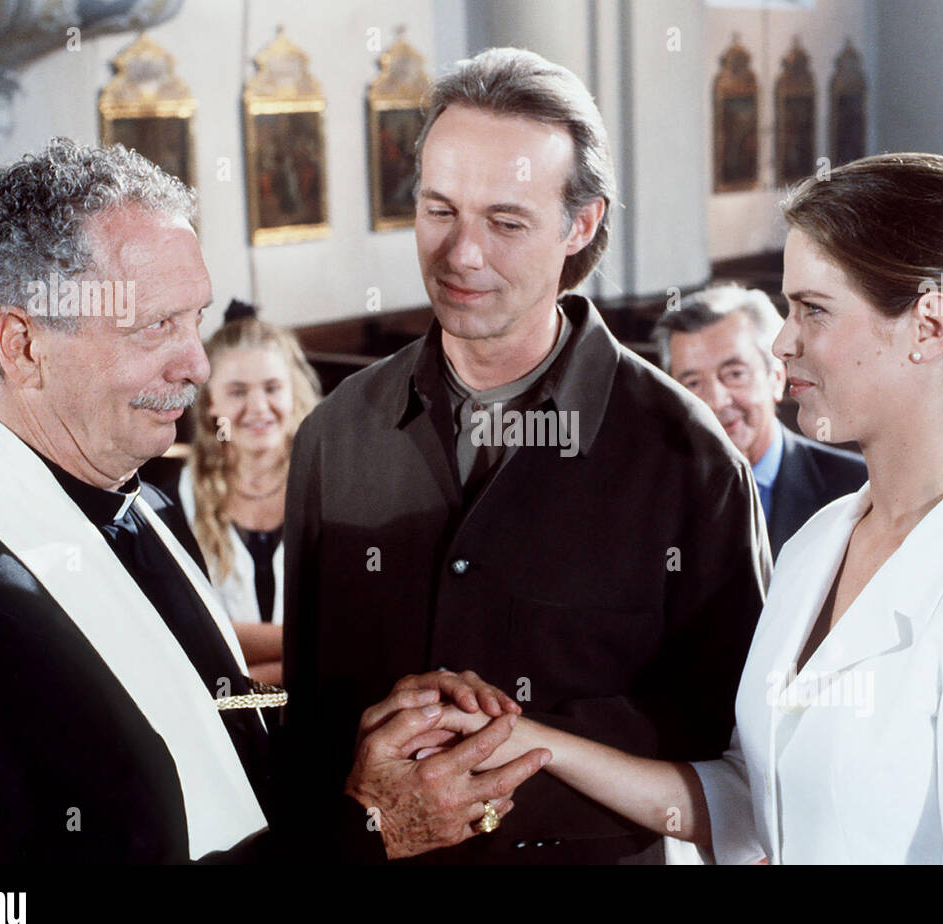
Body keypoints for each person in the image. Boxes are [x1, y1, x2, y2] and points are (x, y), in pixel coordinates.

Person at [400, 153, 943, 864]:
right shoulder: (821, 541)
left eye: (813, 309)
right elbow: (754, 801)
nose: (783, 340)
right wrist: (536, 741)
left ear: (929, 328)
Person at [279, 47, 770, 864]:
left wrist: (508, 752)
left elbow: (738, 775)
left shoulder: (689, 459)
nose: (461, 255)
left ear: (581, 224)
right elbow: (309, 734)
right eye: (439, 211)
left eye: (505, 222)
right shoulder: (335, 435)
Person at [0, 139, 276, 863]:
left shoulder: (140, 493)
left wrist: (354, 717)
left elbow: (222, 709)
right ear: (23, 346)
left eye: (196, 318)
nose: (198, 364)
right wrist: (364, 827)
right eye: (156, 325)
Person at [653, 285, 867, 555]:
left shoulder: (858, 489)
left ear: (777, 378)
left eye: (734, 374)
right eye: (693, 383)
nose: (716, 401)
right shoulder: (650, 500)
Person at [175, 312, 321, 686]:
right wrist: (309, 646)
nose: (258, 408)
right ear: (210, 403)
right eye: (238, 392)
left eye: (272, 387)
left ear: (294, 392)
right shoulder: (190, 487)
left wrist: (250, 673)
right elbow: (201, 634)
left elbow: (354, 630)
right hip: (238, 710)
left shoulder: (328, 475)